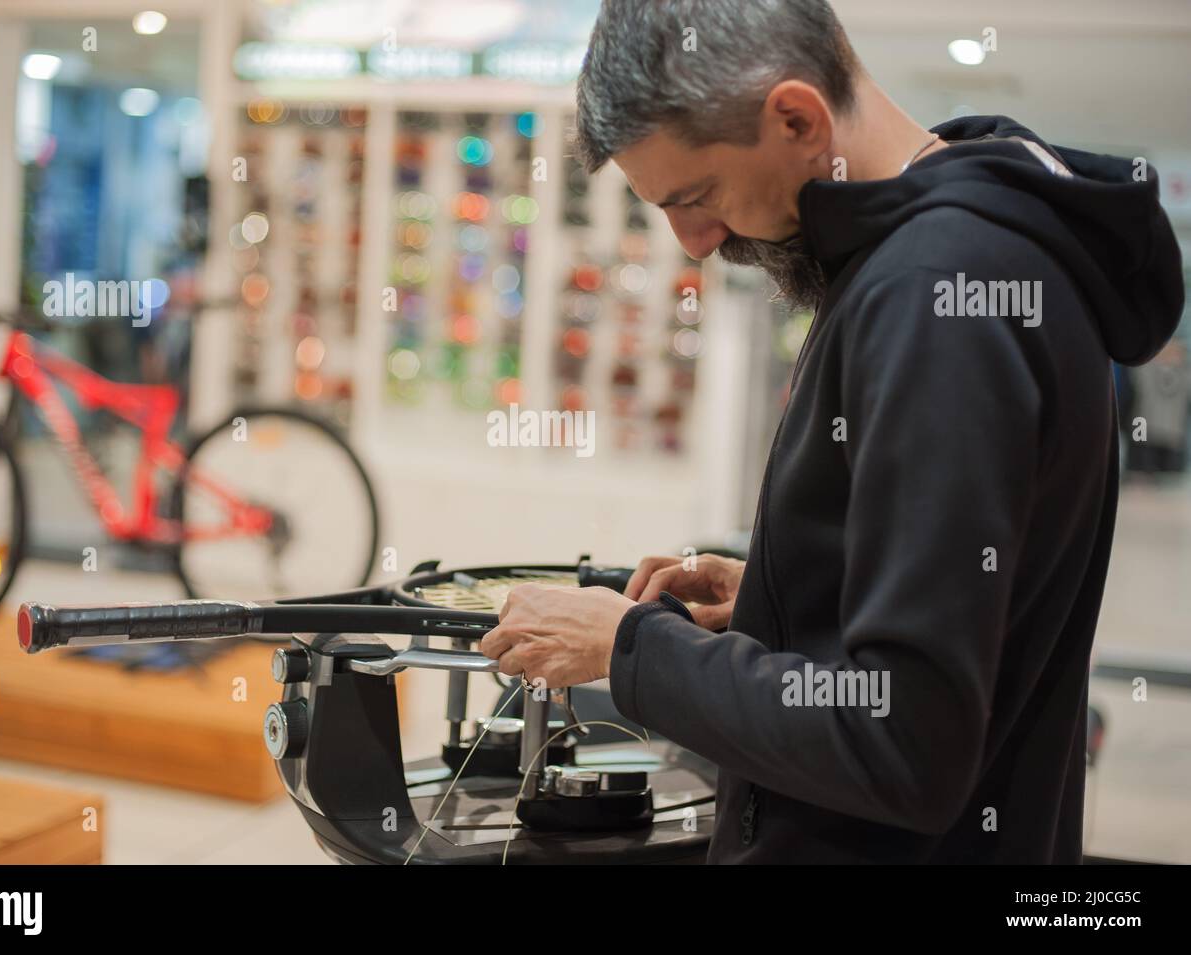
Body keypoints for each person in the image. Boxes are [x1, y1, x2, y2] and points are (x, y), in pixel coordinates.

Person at [480, 0, 1184, 863]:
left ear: (797, 117)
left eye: (695, 196)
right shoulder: (960, 261)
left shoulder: (936, 295)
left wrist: (628, 650)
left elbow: (902, 741)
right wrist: (793, 591)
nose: (695, 242)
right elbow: (974, 615)